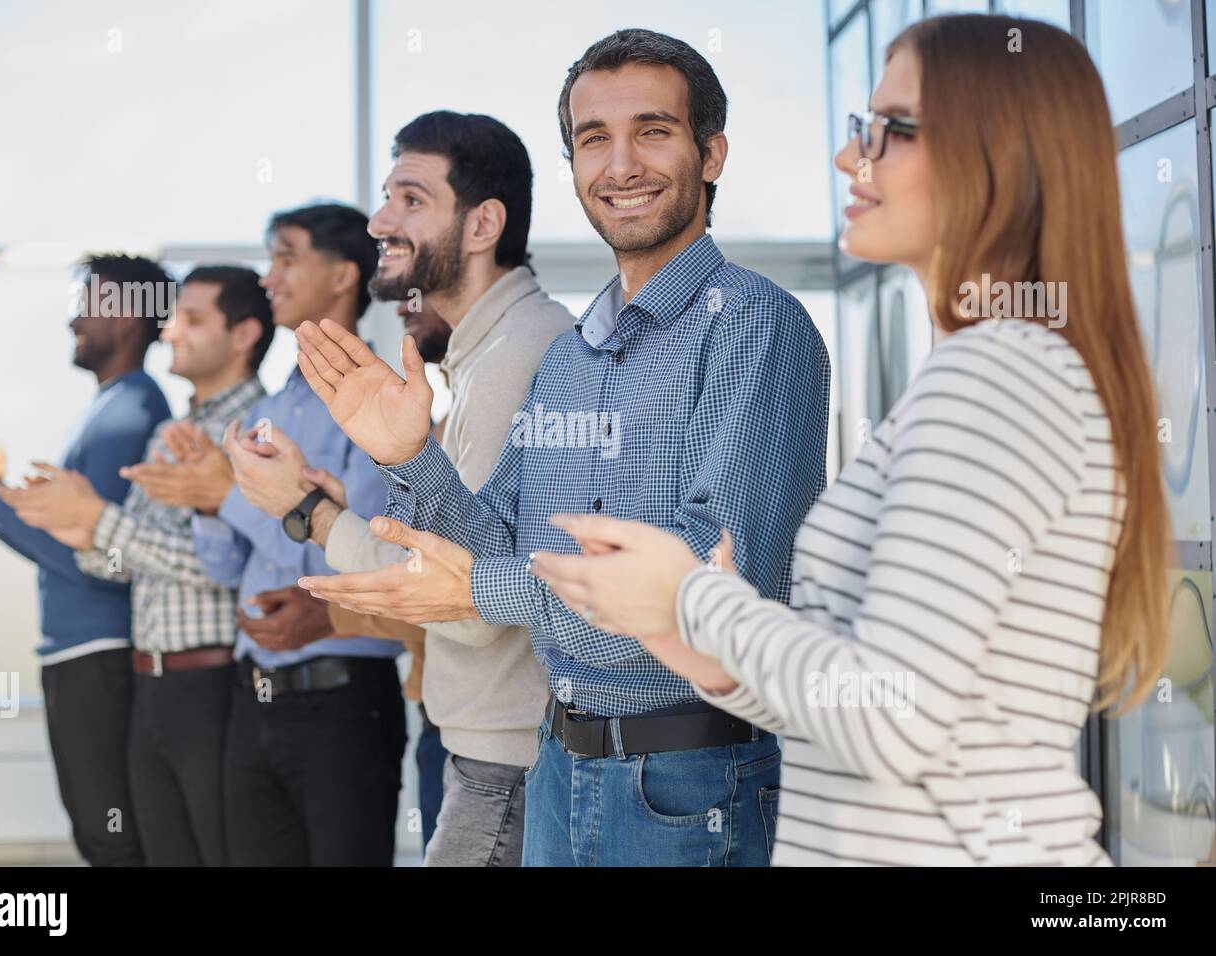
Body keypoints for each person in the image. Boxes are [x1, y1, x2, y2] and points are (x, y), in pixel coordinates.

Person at [528, 14, 1171, 867]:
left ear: (999, 156)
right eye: (861, 128)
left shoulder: (998, 377)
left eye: (893, 131)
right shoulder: (989, 370)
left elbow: (890, 714)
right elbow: (876, 688)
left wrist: (692, 600)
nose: (851, 157)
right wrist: (710, 655)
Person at [291, 29, 831, 867]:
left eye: (652, 131)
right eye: (592, 139)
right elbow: (495, 541)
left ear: (711, 153)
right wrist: (409, 456)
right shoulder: (572, 355)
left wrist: (483, 587)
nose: (620, 165)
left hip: (692, 784)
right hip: (558, 770)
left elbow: (714, 588)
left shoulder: (756, 327)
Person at [231, 111, 574, 866]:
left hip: (505, 765)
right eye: (387, 196)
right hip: (492, 754)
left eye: (412, 200)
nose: (381, 219)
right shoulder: (489, 355)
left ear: (484, 223)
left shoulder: (516, 358)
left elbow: (466, 602)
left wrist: (307, 511)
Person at [125, 204, 407, 866]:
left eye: (286, 258)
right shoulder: (270, 411)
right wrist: (205, 500)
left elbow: (355, 557)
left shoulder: (382, 406)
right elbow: (227, 567)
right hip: (255, 701)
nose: (270, 277)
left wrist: (224, 493)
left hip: (344, 705)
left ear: (342, 277)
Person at [0, 266, 273, 866]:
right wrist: (79, 523)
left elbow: (218, 568)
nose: (169, 329)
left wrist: (96, 520)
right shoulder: (170, 431)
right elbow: (124, 562)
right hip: (153, 685)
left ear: (245, 333)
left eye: (192, 319)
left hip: (213, 682)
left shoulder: (261, 430)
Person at [0, 253, 174, 866]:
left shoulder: (132, 409)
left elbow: (93, 550)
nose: (73, 321)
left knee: (112, 841)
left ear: (133, 320)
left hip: (100, 658)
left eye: (90, 304)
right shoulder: (113, 405)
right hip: (83, 658)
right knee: (102, 836)